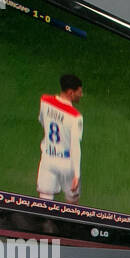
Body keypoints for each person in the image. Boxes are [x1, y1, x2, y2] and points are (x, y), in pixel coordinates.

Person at [37, 74, 84, 202]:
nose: (81, 95)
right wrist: (77, 173)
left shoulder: (45, 100)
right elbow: (75, 145)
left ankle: (45, 221)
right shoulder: (75, 117)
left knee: (44, 202)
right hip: (66, 163)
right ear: (70, 92)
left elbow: (42, 120)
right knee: (72, 202)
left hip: (47, 159)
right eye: (79, 92)